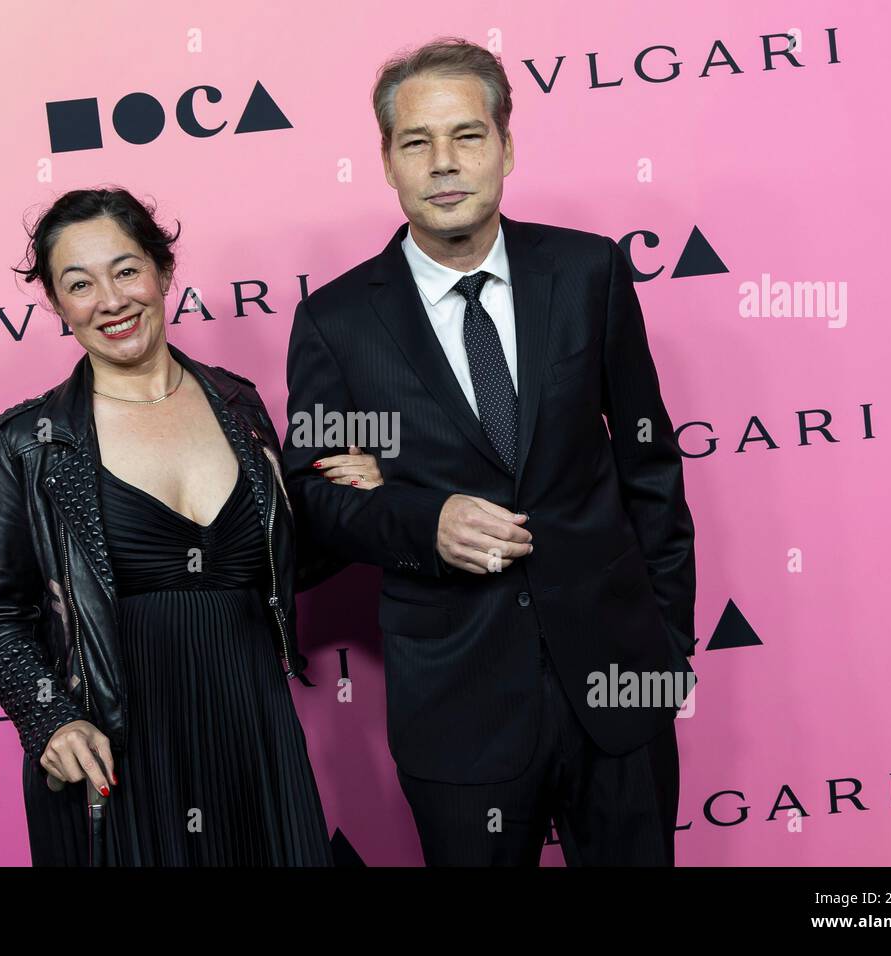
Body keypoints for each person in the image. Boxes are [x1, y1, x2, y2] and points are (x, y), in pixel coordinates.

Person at [282, 38, 698, 866]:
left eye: (467, 136)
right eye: (417, 142)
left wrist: (669, 645)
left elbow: (649, 465)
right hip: (457, 703)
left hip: (620, 684)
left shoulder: (589, 273)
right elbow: (315, 499)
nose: (444, 163)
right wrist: (423, 520)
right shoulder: (335, 322)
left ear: (506, 146)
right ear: (388, 162)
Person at [0, 187, 383, 865]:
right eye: (80, 283)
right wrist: (51, 719)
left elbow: (274, 564)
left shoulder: (239, 405)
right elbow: (2, 616)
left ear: (163, 272)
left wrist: (356, 502)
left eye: (126, 270)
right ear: (56, 303)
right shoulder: (32, 442)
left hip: (251, 723)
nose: (110, 299)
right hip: (121, 740)